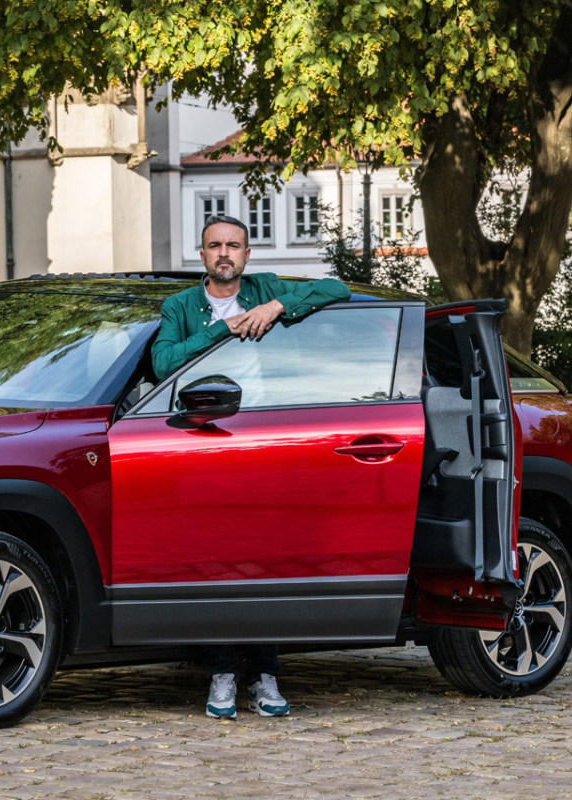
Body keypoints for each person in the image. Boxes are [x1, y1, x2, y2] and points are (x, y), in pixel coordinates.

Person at [151, 214, 350, 719]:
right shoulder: (179, 306)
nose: (224, 254)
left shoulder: (265, 287)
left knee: (265, 560)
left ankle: (265, 674)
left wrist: (278, 305)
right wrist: (222, 331)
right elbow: (164, 363)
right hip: (203, 443)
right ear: (201, 256)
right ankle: (221, 672)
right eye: (215, 246)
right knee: (215, 561)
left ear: (246, 254)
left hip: (266, 442)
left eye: (234, 246)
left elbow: (337, 287)